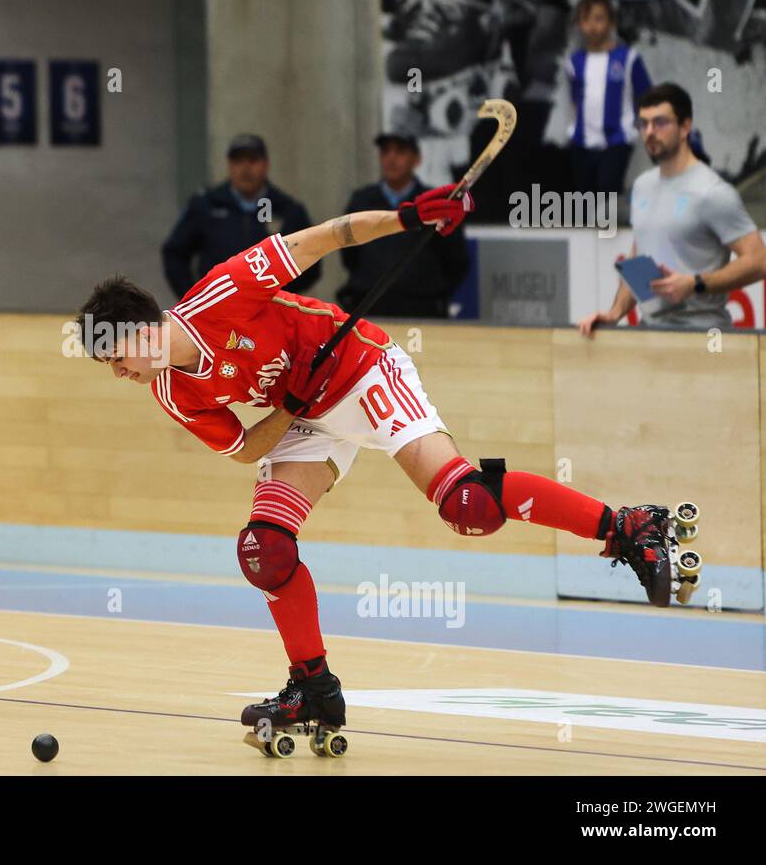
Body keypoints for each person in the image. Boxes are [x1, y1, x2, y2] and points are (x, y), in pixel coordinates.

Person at [78, 185, 697, 747]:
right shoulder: (171, 390)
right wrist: (290, 407)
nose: (118, 374)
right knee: (264, 548)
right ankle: (313, 687)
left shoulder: (224, 291)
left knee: (470, 506)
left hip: (361, 370)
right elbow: (243, 447)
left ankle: (628, 527)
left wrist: (408, 217)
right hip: (303, 414)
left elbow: (327, 236)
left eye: (114, 358)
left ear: (138, 331)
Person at [577, 82, 764, 336]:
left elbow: (758, 261)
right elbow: (638, 257)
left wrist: (695, 283)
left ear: (685, 127)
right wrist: (614, 313)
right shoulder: (642, 186)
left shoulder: (712, 192)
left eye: (660, 122)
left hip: (702, 335)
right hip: (651, 333)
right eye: (643, 124)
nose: (649, 132)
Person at [162, 134, 319, 299]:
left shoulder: (288, 210)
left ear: (265, 164)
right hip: (219, 305)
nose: (245, 168)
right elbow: (175, 253)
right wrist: (194, 299)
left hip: (271, 306)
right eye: (238, 161)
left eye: (252, 160)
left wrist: (283, 295)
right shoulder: (207, 206)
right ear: (229, 165)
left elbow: (311, 258)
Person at [338, 132, 469, 317]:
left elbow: (456, 258)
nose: (391, 158)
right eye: (385, 151)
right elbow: (349, 253)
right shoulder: (361, 201)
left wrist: (431, 290)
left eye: (400, 151)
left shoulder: (435, 204)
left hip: (423, 309)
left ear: (416, 159)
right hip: (368, 307)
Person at [565, 0, 651, 195]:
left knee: (608, 192)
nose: (592, 26)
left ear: (611, 22)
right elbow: (575, 99)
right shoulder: (574, 62)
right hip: (582, 142)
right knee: (584, 199)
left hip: (617, 140)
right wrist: (573, 130)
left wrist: (637, 129)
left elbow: (646, 96)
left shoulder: (628, 58)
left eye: (598, 19)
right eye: (585, 20)